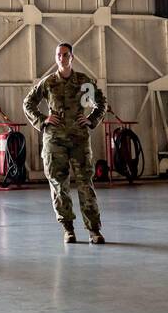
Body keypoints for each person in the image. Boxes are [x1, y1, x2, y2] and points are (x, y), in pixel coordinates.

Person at [24, 42, 107, 245]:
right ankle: (68, 229)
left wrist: (91, 120)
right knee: (59, 186)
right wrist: (42, 120)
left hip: (79, 139)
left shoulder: (83, 81)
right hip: (55, 140)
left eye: (65, 54)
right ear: (56, 58)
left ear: (72, 57)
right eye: (58, 55)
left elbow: (101, 102)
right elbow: (28, 103)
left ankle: (94, 230)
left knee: (85, 185)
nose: (61, 58)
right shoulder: (48, 82)